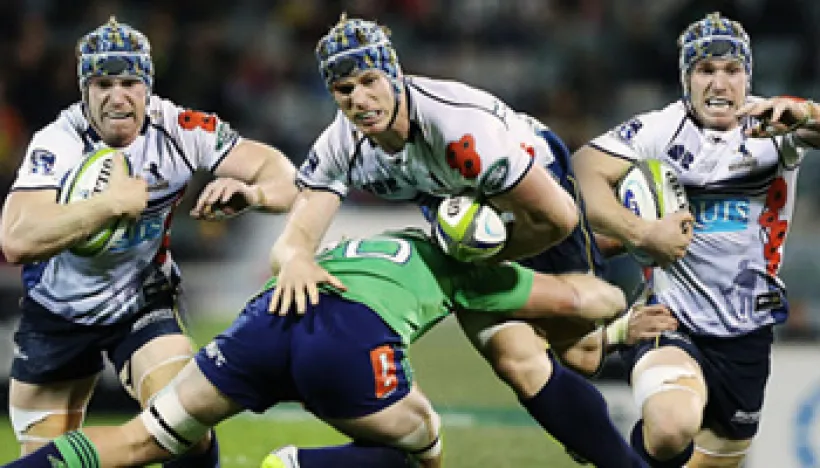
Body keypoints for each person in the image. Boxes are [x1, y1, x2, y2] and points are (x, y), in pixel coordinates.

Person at [265, 13, 660, 467]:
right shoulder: (340, 144)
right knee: (516, 359)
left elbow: (558, 218)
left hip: (534, 192)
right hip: (459, 213)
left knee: (583, 355)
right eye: (344, 90)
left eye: (369, 80)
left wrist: (486, 259)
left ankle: (622, 260)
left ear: (393, 74)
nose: (360, 99)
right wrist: (293, 258)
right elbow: (296, 235)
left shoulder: (460, 129)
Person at [1, 227, 638, 468]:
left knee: (147, 436)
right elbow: (582, 302)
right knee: (424, 447)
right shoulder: (476, 270)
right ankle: (294, 467)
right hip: (348, 341)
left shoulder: (381, 239)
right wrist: (615, 301)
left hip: (265, 322)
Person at [0, 16, 297, 465]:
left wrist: (251, 193)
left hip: (142, 301)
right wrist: (106, 205)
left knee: (187, 427)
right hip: (56, 313)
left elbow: (283, 176)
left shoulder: (179, 128)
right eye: (103, 84)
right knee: (45, 459)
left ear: (147, 87)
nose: (117, 97)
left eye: (129, 83)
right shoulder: (57, 142)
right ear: (85, 91)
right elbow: (15, 240)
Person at [573, 11, 820, 468]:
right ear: (687, 77)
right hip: (671, 320)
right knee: (670, 427)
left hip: (747, 332)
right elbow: (582, 173)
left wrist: (805, 111)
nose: (719, 84)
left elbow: (808, 124)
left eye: (731, 70)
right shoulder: (660, 130)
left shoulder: (776, 126)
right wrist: (643, 232)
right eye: (705, 70)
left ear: (748, 76)